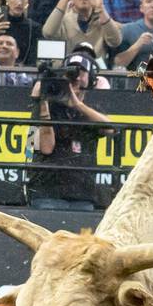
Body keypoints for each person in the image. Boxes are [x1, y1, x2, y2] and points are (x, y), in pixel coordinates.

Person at [27, 48, 115, 211]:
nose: (76, 77)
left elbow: (111, 130)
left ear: (92, 80)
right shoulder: (40, 108)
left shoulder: (91, 111)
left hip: (83, 194)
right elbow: (44, 147)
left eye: (81, 73)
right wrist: (42, 104)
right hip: (47, 193)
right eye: (71, 73)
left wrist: (77, 105)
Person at [42, 0, 124, 60]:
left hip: (95, 70)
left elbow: (115, 41)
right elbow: (48, 33)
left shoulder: (102, 19)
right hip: (67, 69)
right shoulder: (63, 18)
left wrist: (100, 7)